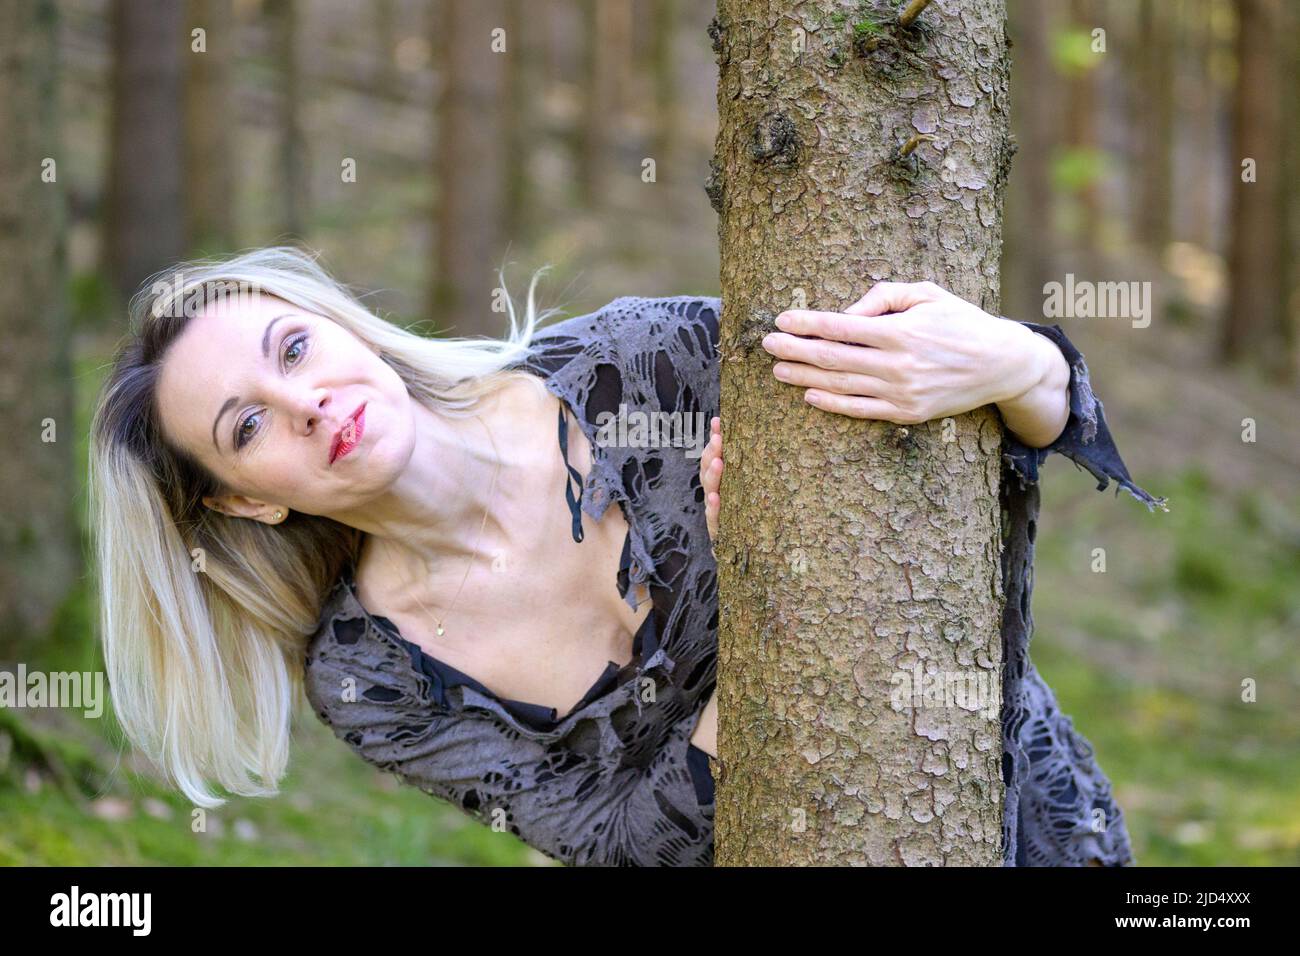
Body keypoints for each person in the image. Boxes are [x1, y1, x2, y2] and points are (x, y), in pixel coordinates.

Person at [89, 246, 1164, 866]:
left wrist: (1019, 359)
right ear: (245, 499)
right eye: (246, 426)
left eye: (293, 347)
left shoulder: (648, 359)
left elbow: (949, 509)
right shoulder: (372, 675)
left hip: (1019, 816)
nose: (304, 400)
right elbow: (621, 847)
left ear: (343, 327)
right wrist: (762, 595)